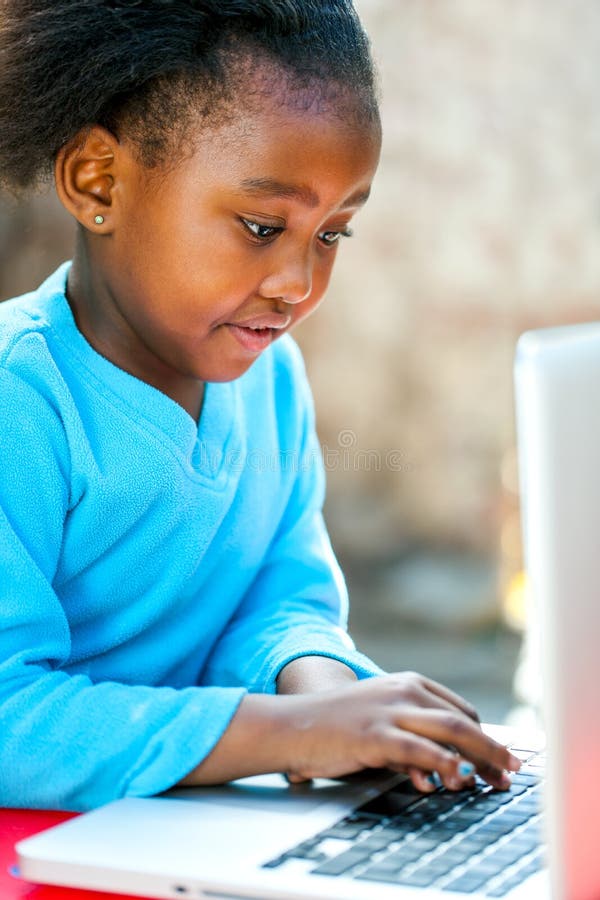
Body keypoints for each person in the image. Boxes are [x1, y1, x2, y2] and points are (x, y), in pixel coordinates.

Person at [0, 0, 520, 812]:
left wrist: (331, 701)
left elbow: (278, 595)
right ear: (98, 182)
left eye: (332, 234)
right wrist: (287, 734)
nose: (299, 285)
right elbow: (9, 719)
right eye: (259, 225)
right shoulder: (20, 400)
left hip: (185, 838)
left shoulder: (268, 379)